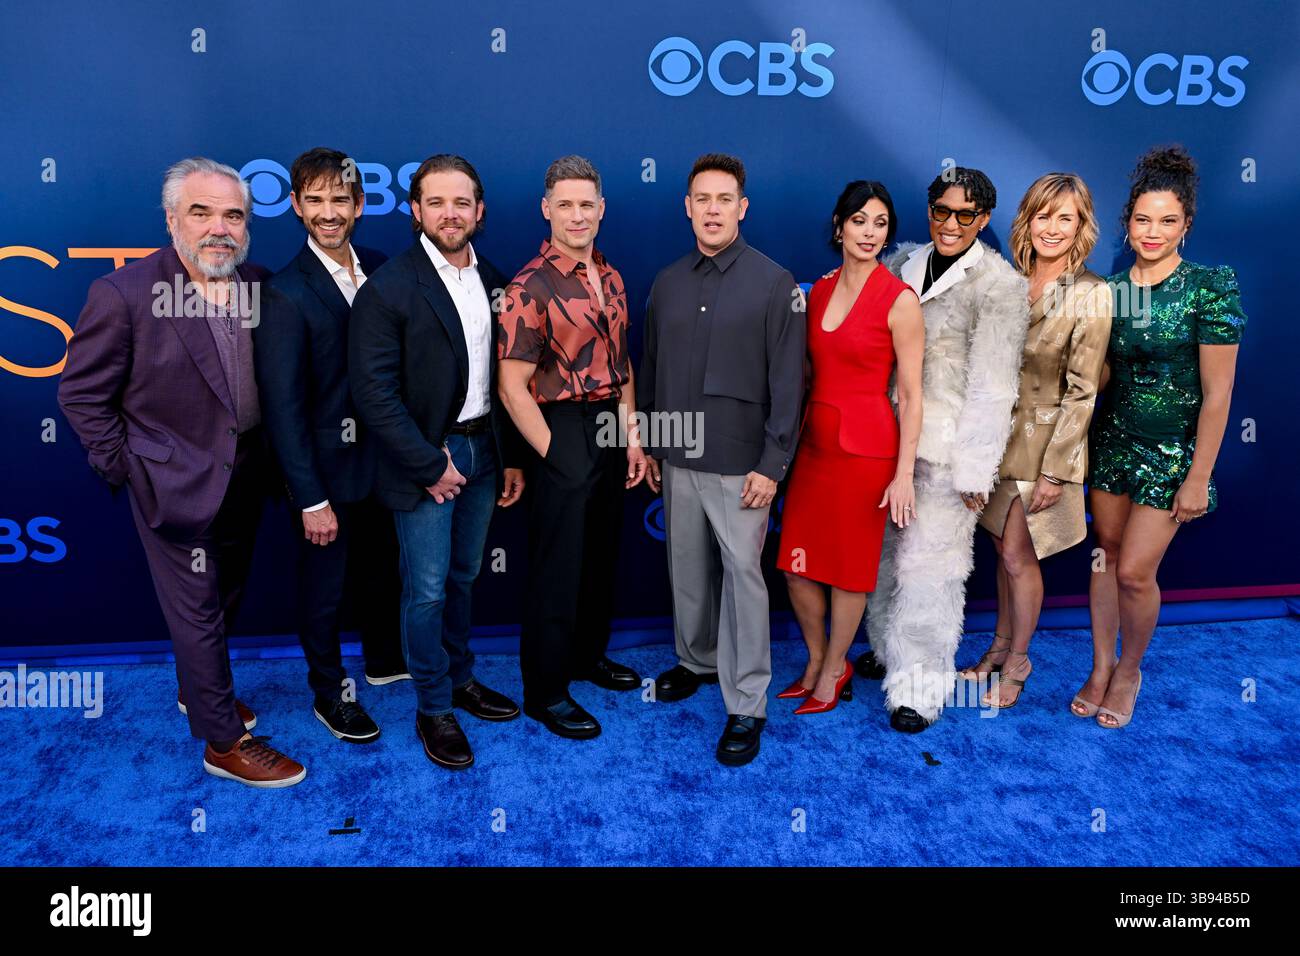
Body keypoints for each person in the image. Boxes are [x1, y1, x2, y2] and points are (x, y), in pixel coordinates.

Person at [58, 157, 306, 787]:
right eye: (201, 212)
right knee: (196, 608)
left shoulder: (257, 282)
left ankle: (199, 691)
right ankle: (222, 742)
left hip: (248, 473)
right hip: (170, 483)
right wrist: (130, 469)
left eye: (233, 214)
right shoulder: (126, 294)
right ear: (172, 219)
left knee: (225, 597)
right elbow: (82, 397)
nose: (218, 226)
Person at [349, 154, 525, 770]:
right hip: (427, 459)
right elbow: (374, 393)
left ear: (479, 211)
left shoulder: (496, 278)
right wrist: (429, 464)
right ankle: (432, 707)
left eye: (462, 203)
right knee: (424, 590)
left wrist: (506, 457)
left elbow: (504, 378)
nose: (450, 214)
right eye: (437, 203)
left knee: (464, 576)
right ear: (416, 210)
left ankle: (459, 678)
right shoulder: (389, 287)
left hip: (484, 450)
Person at [638, 153, 805, 765]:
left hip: (743, 464)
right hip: (678, 455)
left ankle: (747, 703)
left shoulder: (775, 283)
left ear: (743, 208)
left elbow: (790, 386)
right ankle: (697, 661)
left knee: (742, 580)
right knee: (687, 569)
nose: (713, 209)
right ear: (688, 207)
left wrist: (772, 464)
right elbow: (652, 369)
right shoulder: (667, 281)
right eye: (702, 199)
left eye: (724, 199)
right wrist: (655, 443)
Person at [856, 166, 1030, 733]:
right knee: (883, 561)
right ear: (929, 211)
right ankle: (887, 652)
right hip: (884, 441)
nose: (950, 224)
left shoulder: (999, 285)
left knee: (931, 570)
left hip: (950, 453)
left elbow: (996, 382)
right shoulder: (898, 262)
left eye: (965, 215)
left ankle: (920, 689)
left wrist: (977, 468)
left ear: (982, 220)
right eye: (941, 211)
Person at [1078, 145, 1245, 728]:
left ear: (1187, 225)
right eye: (1143, 220)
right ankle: (1100, 667)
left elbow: (1218, 394)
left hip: (1172, 454)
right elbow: (1102, 374)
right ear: (1128, 223)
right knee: (1105, 558)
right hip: (1111, 444)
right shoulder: (1114, 290)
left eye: (1167, 220)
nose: (1153, 232)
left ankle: (1129, 671)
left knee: (1133, 571)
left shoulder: (1209, 286)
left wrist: (1198, 476)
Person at [255, 147, 407, 744]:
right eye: (314, 200)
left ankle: (382, 660)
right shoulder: (285, 292)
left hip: (384, 465)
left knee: (381, 573)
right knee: (324, 592)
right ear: (295, 205)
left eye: (338, 199)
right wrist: (309, 497)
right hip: (324, 475)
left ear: (359, 205)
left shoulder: (382, 267)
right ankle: (329, 694)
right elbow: (282, 410)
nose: (327, 211)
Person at [498, 156, 646, 740]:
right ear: (547, 209)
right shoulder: (527, 286)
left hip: (611, 424)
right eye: (566, 205)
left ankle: (587, 657)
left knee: (600, 555)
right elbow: (512, 387)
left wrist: (634, 438)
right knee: (556, 568)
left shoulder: (611, 276)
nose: (577, 215)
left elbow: (623, 363)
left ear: (601, 209)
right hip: (559, 426)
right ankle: (545, 690)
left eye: (587, 204)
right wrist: (554, 453)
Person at [962, 173, 1113, 707]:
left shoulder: (1093, 294)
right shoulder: (1008, 279)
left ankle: (1019, 662)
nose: (1053, 228)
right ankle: (1001, 647)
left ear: (1081, 226)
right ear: (1028, 219)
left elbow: (1084, 391)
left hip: (1046, 451)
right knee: (1003, 552)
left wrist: (1057, 471)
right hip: (998, 444)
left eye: (1065, 218)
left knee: (1019, 558)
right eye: (1044, 216)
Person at [775, 181, 923, 715]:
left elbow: (911, 393)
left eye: (880, 223)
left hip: (868, 454)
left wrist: (904, 473)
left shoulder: (900, 300)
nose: (869, 232)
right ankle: (818, 659)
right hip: (815, 448)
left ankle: (836, 667)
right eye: (859, 220)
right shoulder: (817, 290)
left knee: (848, 571)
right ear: (839, 226)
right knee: (796, 566)